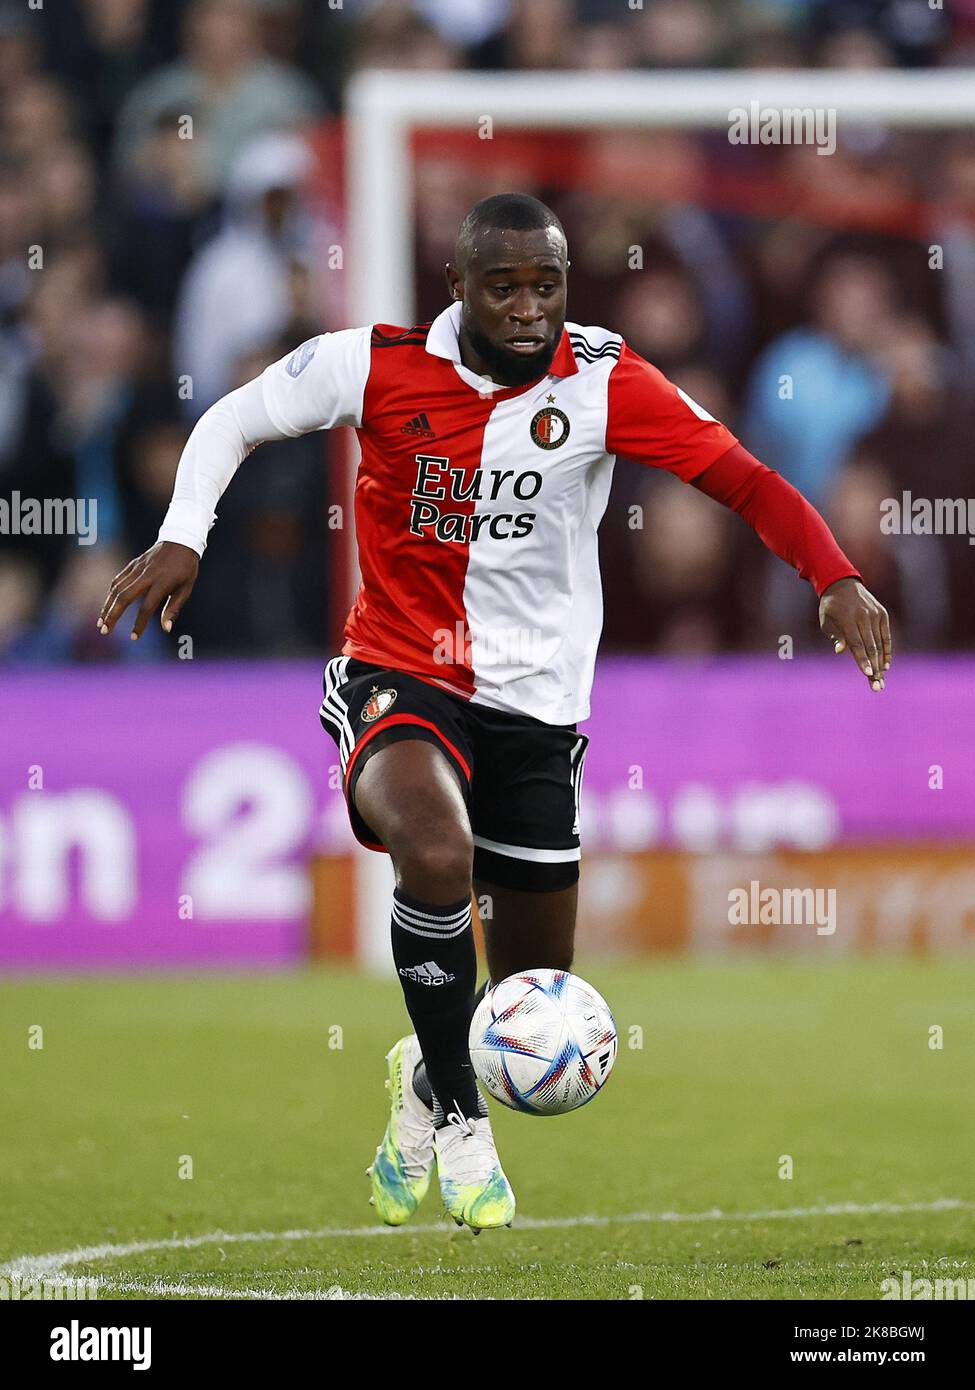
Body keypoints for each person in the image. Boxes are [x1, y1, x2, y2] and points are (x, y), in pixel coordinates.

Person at [97, 193, 892, 1232]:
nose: (527, 307)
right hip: (399, 670)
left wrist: (833, 576)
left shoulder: (605, 382)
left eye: (546, 285)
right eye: (504, 285)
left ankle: (427, 1073)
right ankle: (464, 1122)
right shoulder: (370, 363)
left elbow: (746, 480)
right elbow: (230, 419)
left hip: (539, 707)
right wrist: (185, 536)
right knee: (433, 850)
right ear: (457, 288)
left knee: (532, 997)